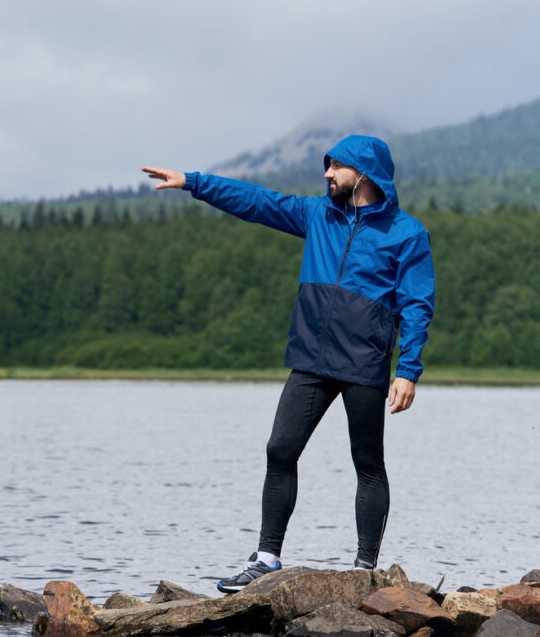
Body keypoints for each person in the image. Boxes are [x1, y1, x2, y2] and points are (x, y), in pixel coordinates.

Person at [143, 134, 435, 593]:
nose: (326, 174)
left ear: (363, 173)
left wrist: (407, 370)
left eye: (335, 167)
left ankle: (364, 570)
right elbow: (258, 201)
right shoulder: (317, 215)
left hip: (365, 362)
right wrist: (193, 182)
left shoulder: (407, 233)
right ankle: (266, 558)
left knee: (367, 462)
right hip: (312, 358)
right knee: (280, 450)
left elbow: (417, 305)